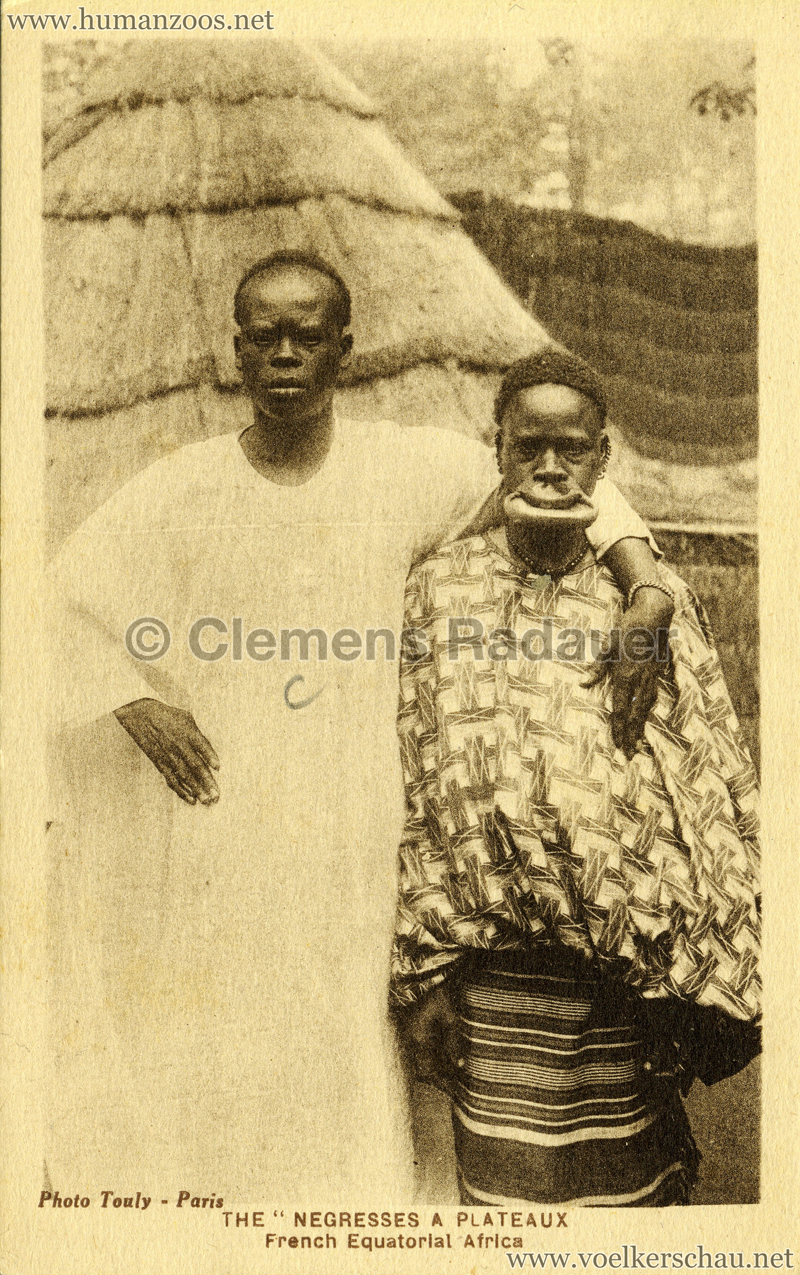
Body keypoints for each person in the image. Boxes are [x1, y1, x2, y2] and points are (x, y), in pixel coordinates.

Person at [48, 254, 674, 1201]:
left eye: (307, 336)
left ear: (344, 348)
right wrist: (137, 703)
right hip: (225, 814)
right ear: (236, 351)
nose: (284, 354)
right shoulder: (182, 488)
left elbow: (558, 476)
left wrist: (647, 593)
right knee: (222, 1023)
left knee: (346, 1029)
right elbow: (60, 601)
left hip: (356, 815)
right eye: (264, 336)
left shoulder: (406, 467)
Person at [390, 351, 761, 1207]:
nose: (551, 468)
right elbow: (416, 787)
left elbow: (706, 786)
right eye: (529, 447)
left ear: (604, 458)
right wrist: (423, 973)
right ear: (498, 450)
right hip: (492, 980)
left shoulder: (654, 606)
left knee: (625, 1209)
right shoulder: (439, 592)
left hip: (623, 987)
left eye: (573, 449)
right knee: (505, 1212)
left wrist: (683, 976)